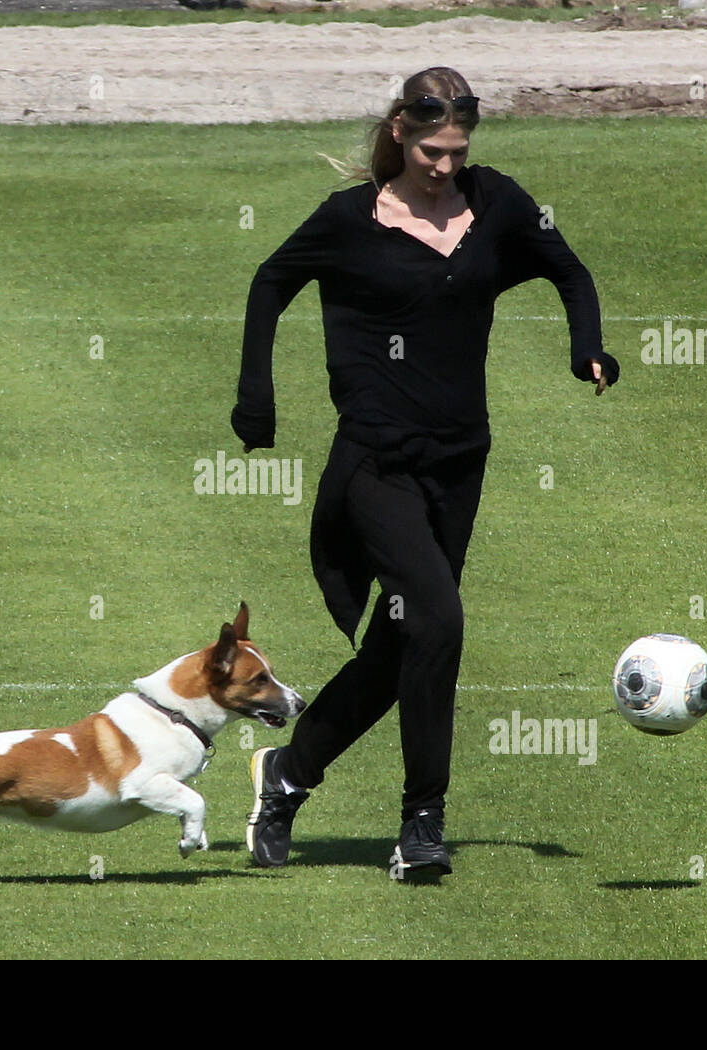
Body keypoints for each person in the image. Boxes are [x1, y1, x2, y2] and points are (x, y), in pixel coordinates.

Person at [233, 66, 619, 879]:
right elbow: (271, 282)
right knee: (439, 620)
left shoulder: (496, 202)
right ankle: (422, 826)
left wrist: (587, 343)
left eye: (456, 149)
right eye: (431, 150)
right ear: (400, 133)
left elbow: (569, 269)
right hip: (374, 464)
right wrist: (256, 401)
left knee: (398, 646)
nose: (445, 165)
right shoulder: (351, 221)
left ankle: (286, 773)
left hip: (458, 461)